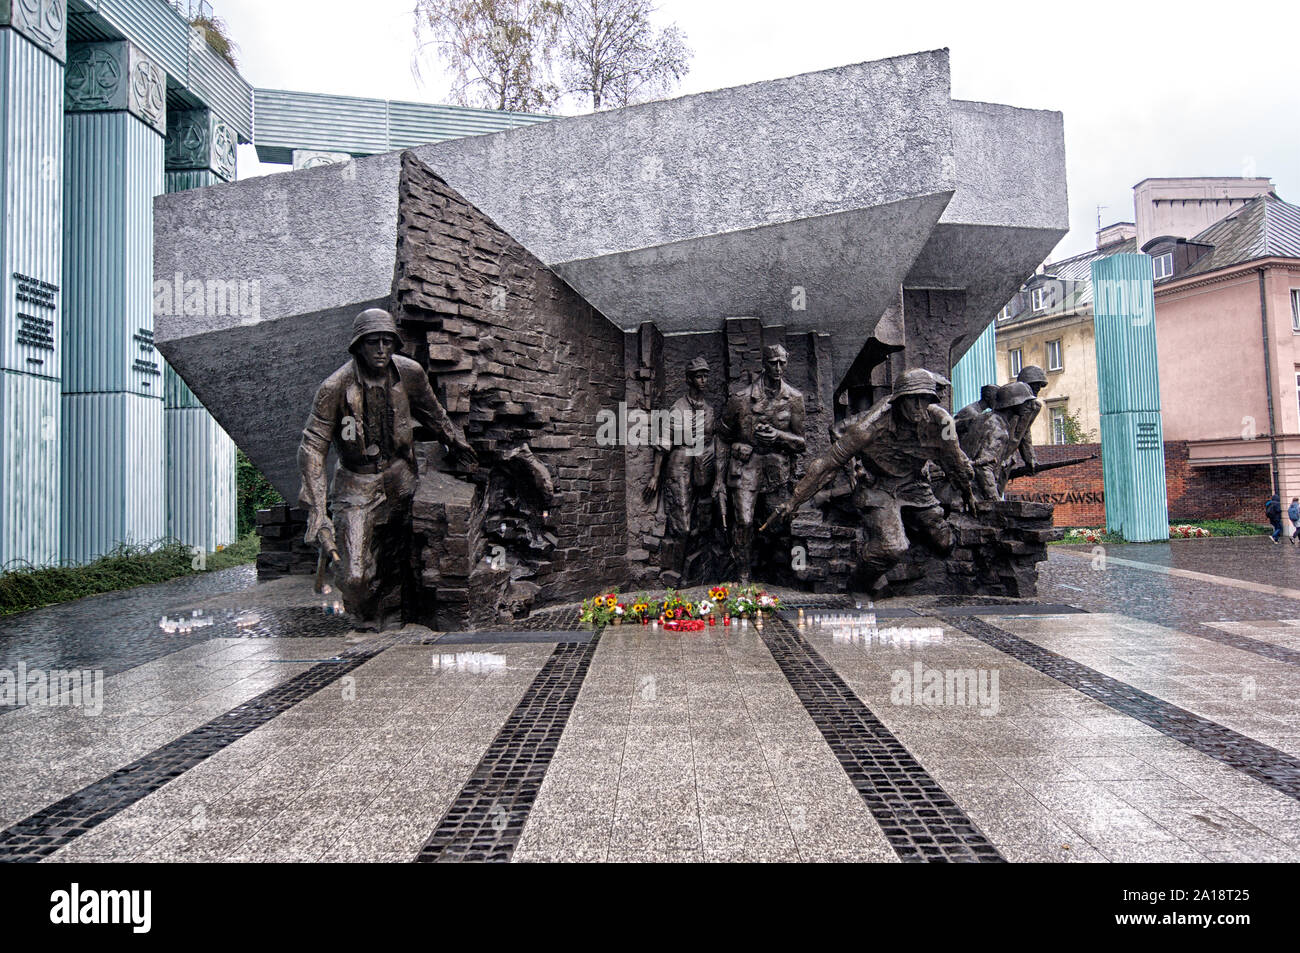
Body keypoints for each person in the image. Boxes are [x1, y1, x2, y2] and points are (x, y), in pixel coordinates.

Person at [298, 308, 477, 630]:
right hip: (357, 482)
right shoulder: (335, 387)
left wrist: (456, 442)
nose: (381, 350)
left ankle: (392, 615)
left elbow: (433, 413)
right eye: (372, 342)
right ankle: (363, 616)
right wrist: (317, 511)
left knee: (398, 555)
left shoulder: (409, 372)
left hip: (400, 475)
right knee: (354, 574)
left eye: (387, 342)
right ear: (357, 346)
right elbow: (312, 446)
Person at [764, 369, 977, 590]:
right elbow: (826, 465)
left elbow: (955, 460)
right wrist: (792, 502)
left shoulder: (943, 423)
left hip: (915, 485)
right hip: (878, 487)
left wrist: (967, 493)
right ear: (899, 399)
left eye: (924, 399)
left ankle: (909, 525)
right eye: (912, 399)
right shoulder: (870, 426)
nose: (918, 407)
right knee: (893, 547)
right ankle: (859, 586)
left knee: (944, 542)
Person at [714, 344, 806, 583]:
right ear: (764, 364)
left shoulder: (795, 399)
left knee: (779, 524)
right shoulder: (741, 399)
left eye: (782, 362)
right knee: (743, 520)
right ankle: (743, 575)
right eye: (773, 362)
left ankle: (783, 573)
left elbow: (801, 443)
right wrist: (718, 480)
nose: (777, 368)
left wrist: (779, 436)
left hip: (777, 470)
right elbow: (722, 438)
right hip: (745, 467)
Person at [643, 357, 718, 579]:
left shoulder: (710, 410)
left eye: (705, 375)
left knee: (700, 523)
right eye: (698, 376)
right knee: (682, 525)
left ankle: (691, 573)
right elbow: (664, 442)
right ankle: (673, 572)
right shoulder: (678, 407)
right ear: (689, 379)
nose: (703, 380)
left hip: (703, 468)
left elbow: (712, 440)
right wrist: (655, 475)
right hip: (679, 465)